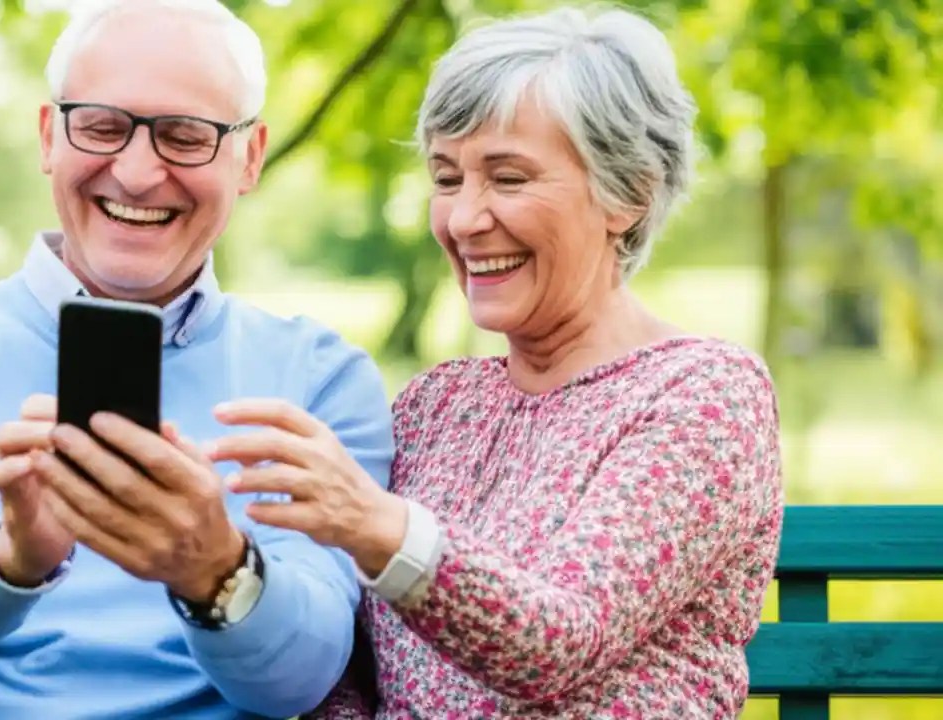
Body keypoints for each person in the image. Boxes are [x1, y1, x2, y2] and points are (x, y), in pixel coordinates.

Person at [205, 7, 784, 719]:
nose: (465, 219)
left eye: (507, 179)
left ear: (628, 192)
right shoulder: (434, 406)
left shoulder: (702, 397)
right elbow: (352, 673)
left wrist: (371, 522)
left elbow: (557, 639)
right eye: (448, 179)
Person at [0, 1, 394, 717]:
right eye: (101, 126)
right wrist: (13, 554)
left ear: (248, 158)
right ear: (48, 137)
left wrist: (215, 566)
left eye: (185, 136)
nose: (137, 172)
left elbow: (299, 680)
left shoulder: (319, 379)